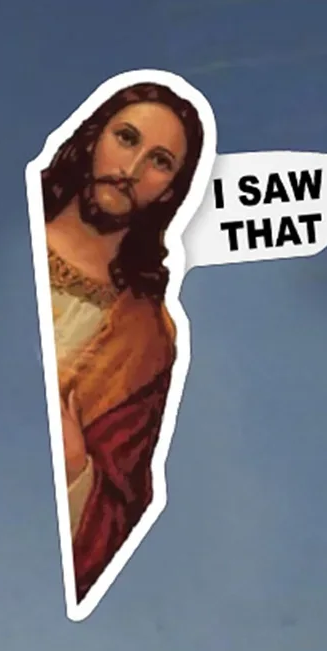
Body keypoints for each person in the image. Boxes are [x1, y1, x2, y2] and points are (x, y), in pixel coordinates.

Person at [37, 80, 206, 601]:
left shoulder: (146, 340)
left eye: (159, 162)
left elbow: (119, 511)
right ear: (93, 139)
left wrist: (75, 467)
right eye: (126, 138)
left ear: (171, 190)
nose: (130, 170)